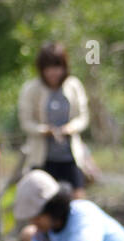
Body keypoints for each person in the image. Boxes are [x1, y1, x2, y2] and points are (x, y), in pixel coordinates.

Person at [18, 43, 91, 196]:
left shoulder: (73, 85)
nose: (53, 72)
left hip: (70, 157)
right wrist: (44, 130)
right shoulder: (32, 89)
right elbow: (26, 121)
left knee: (78, 200)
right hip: (42, 158)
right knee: (45, 205)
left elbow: (83, 116)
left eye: (57, 67)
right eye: (48, 68)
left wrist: (70, 128)